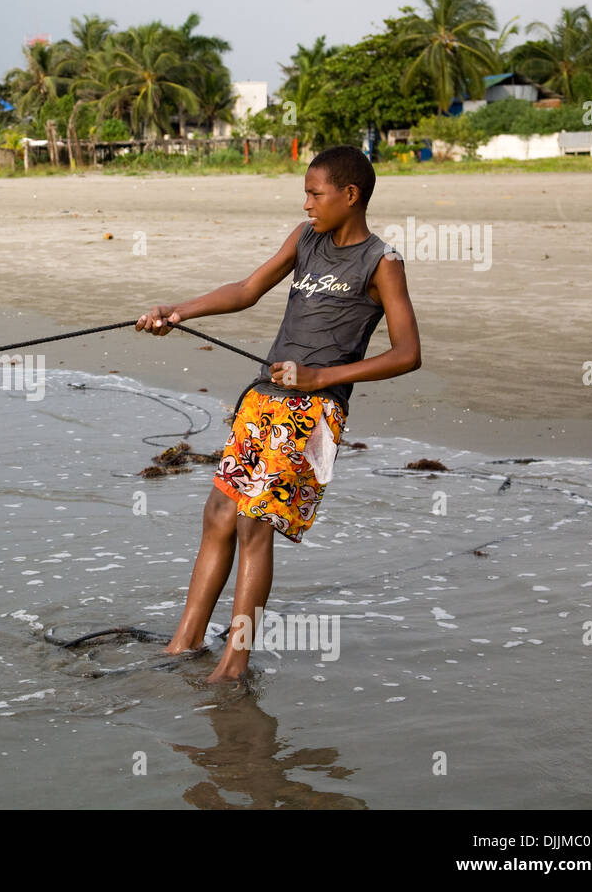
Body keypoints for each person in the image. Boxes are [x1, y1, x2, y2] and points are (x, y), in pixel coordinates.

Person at [135, 145, 421, 683]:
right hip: (264, 397)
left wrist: (321, 377)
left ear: (350, 195)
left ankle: (233, 667)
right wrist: (177, 311)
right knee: (219, 514)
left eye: (316, 193)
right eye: (305, 194)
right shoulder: (304, 238)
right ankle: (183, 644)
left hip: (314, 410)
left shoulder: (382, 262)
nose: (307, 203)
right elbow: (246, 290)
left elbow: (408, 354)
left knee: (253, 525)